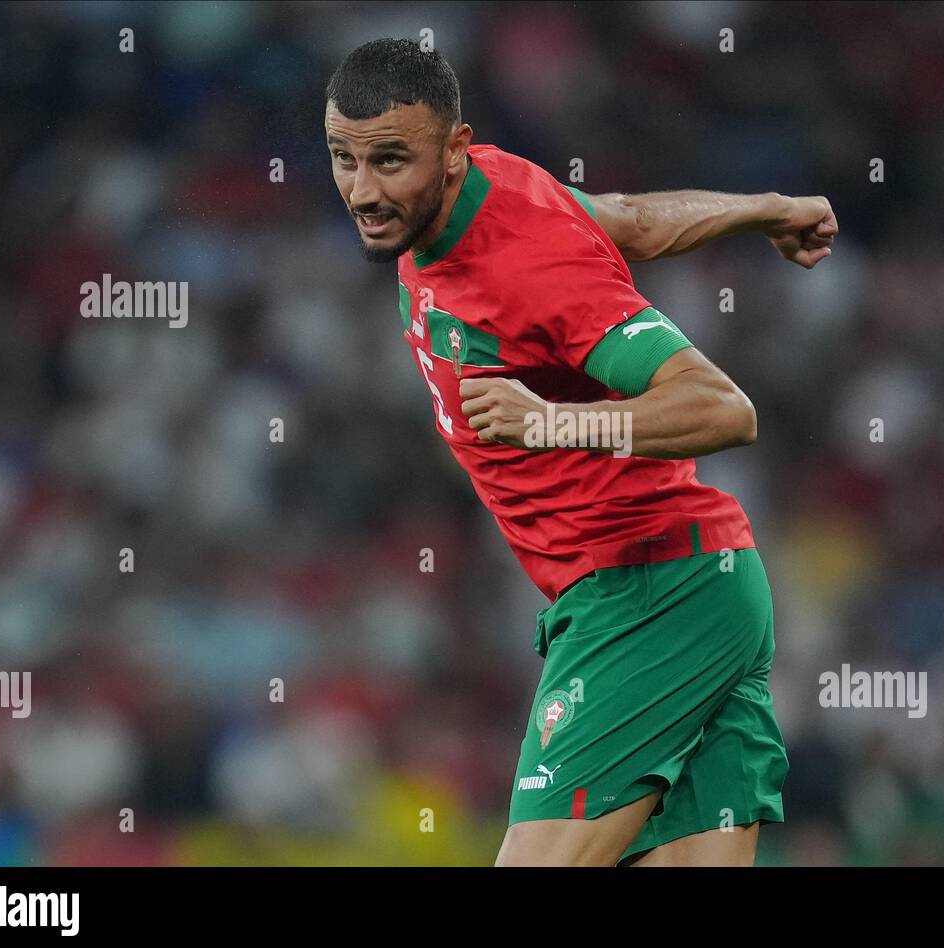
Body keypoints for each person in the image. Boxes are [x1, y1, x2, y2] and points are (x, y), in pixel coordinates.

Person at [324, 38, 837, 866]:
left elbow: (722, 408)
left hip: (647, 592)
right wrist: (766, 209)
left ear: (454, 152)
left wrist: (552, 423)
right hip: (701, 586)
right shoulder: (483, 191)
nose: (363, 191)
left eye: (391, 162)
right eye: (344, 160)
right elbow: (625, 220)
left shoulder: (524, 264)